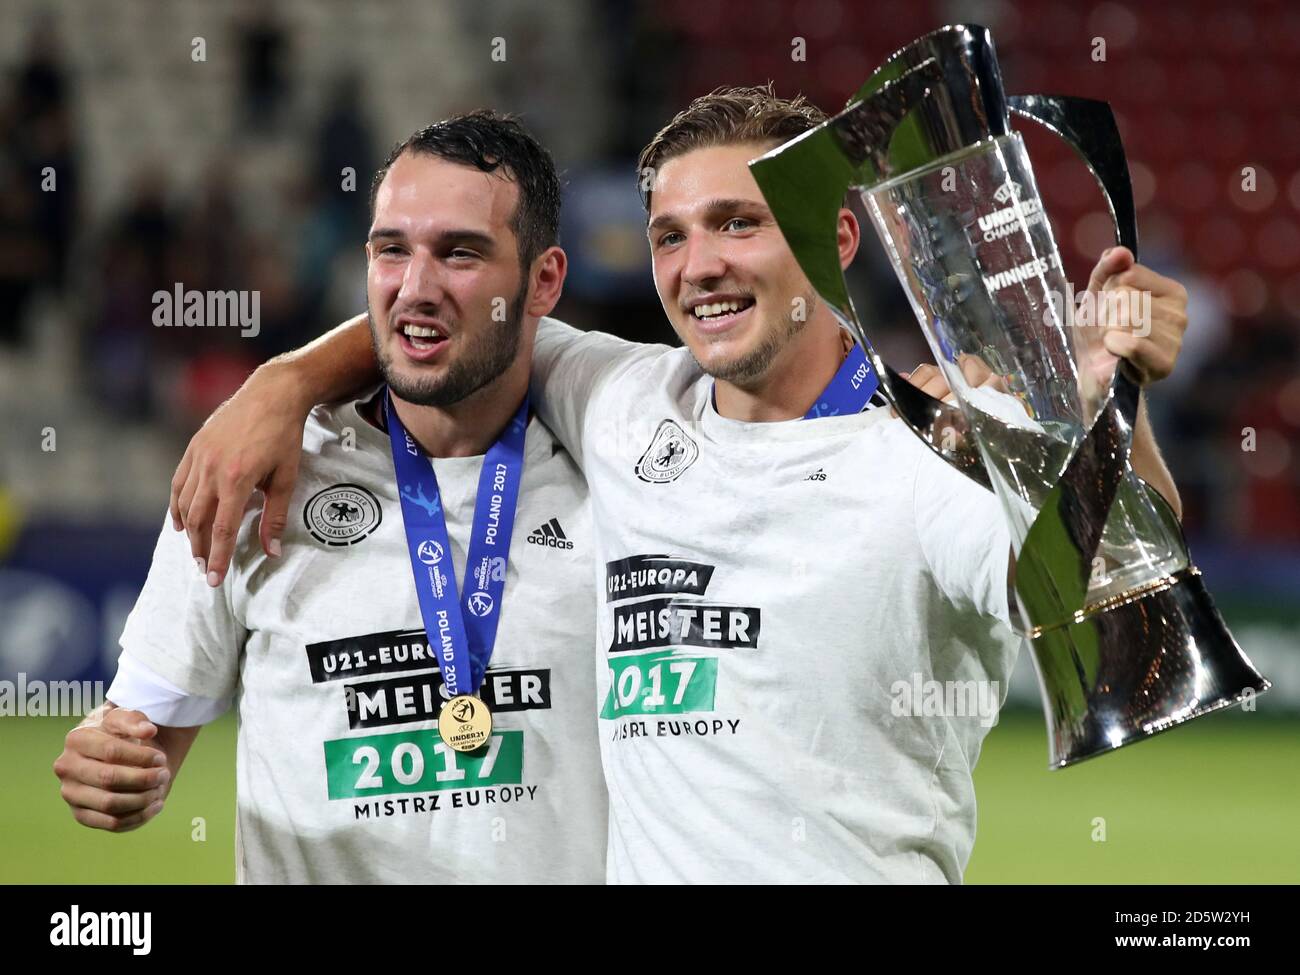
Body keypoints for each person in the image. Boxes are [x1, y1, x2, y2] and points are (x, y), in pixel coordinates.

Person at [165, 87, 1187, 883]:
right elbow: (451, 317)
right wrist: (281, 382)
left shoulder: (928, 457)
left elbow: (1117, 600)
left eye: (739, 223)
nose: (698, 264)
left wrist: (1110, 399)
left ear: (836, 239)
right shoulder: (623, 400)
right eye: (670, 234)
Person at [53, 112, 607, 883]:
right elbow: (139, 734)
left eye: (459, 253)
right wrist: (108, 763)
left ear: (544, 280)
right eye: (391, 250)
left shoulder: (618, 474)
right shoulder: (251, 476)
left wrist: (289, 375)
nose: (416, 288)